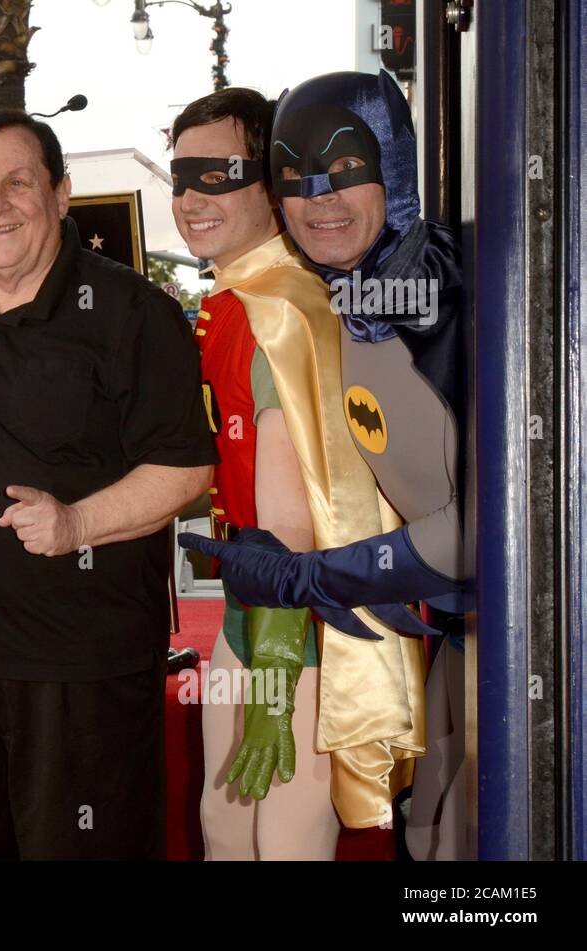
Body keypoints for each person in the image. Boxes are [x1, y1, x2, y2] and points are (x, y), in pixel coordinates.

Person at [0, 111, 215, 860]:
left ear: (62, 194)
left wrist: (76, 523)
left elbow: (187, 469)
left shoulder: (138, 314)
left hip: (86, 674)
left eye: (17, 183)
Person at [181, 70, 461, 849]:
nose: (194, 198)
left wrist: (272, 675)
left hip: (303, 620)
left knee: (284, 836)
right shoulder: (244, 300)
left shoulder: (283, 308)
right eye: (182, 176)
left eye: (220, 176)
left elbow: (298, 512)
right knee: (225, 822)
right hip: (257, 603)